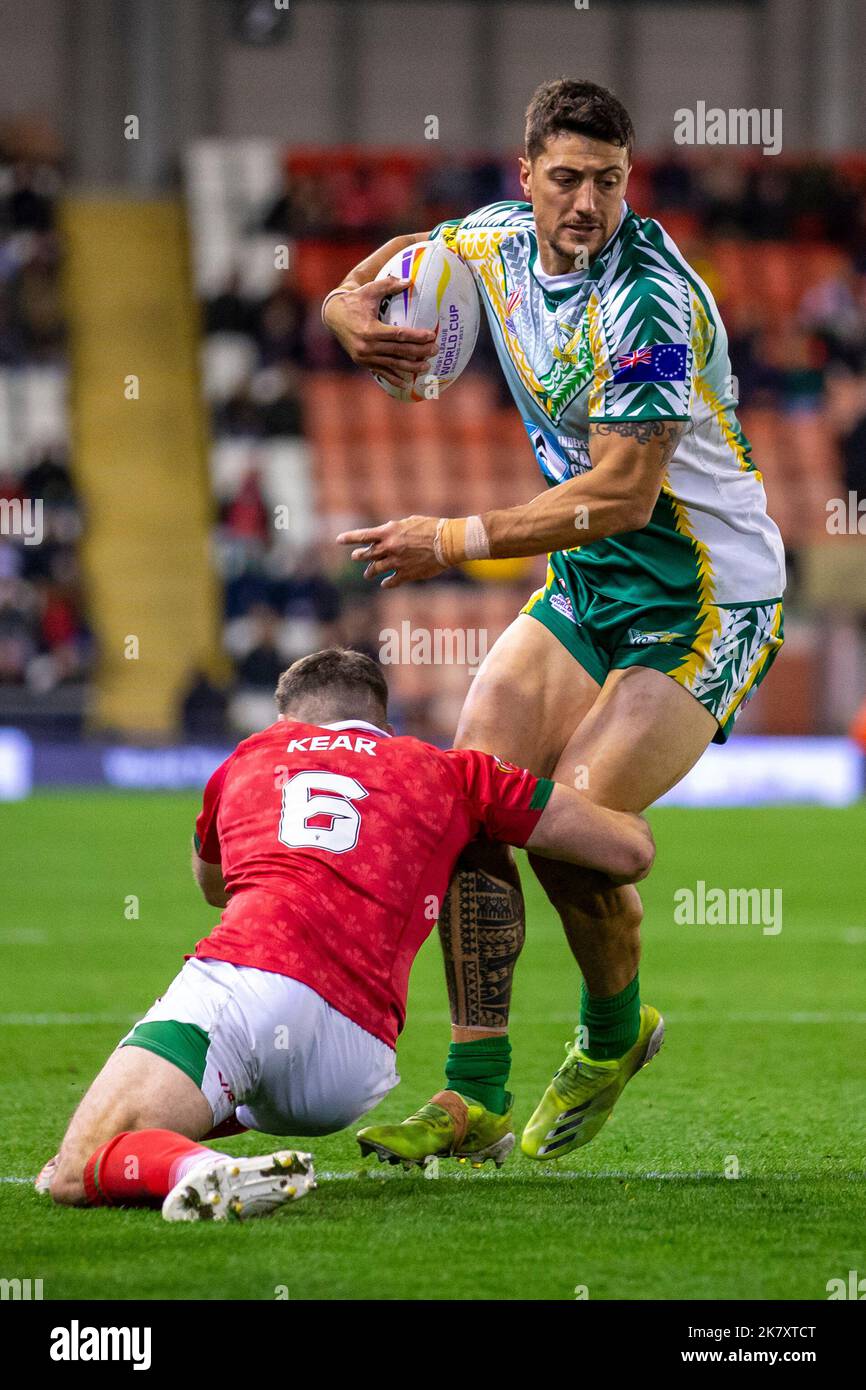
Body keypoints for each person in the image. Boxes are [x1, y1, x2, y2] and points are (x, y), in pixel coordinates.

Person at [322, 78, 786, 1163]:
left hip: (700, 594)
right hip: (588, 579)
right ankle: (472, 1092)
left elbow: (623, 494)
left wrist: (450, 539)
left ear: (630, 182)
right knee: (471, 797)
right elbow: (393, 260)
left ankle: (610, 1039)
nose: (586, 203)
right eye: (566, 178)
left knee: (570, 832)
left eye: (608, 181)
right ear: (523, 175)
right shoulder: (489, 238)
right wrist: (344, 305)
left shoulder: (650, 301)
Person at [38, 647, 654, 1221]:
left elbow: (213, 886)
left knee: (77, 1167)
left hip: (248, 982)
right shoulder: (449, 772)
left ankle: (204, 1168)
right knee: (147, 1120)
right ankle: (172, 1145)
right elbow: (628, 852)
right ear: (378, 717)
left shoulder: (250, 756)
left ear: (287, 717)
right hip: (351, 1067)